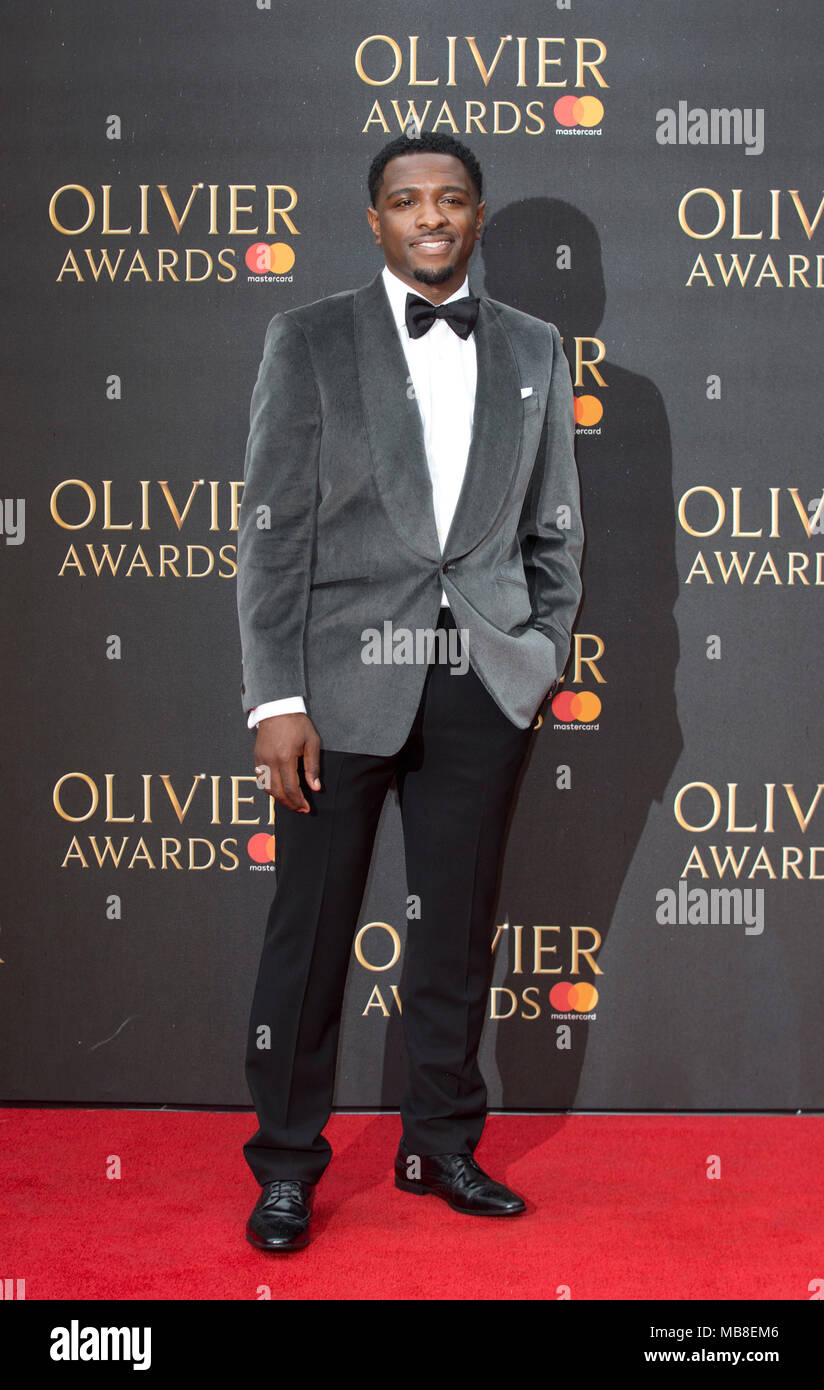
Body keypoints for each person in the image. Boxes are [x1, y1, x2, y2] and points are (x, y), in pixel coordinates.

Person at [236, 131, 583, 1251]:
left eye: (449, 199)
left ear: (475, 216)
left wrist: (534, 657)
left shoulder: (534, 344)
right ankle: (287, 1162)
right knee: (311, 933)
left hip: (480, 682)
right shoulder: (309, 339)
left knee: (455, 934)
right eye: (404, 200)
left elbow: (554, 530)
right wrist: (273, 697)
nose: (428, 216)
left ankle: (441, 1140)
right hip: (336, 688)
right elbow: (270, 539)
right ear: (373, 219)